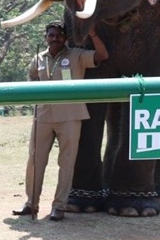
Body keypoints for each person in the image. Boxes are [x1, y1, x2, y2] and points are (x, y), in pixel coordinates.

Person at [15, 19, 107, 221]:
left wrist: (93, 34)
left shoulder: (76, 55)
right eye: (51, 35)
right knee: (35, 161)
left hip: (70, 116)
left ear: (65, 37)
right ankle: (31, 204)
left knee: (66, 162)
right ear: (46, 37)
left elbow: (102, 55)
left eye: (59, 35)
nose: (55, 38)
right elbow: (31, 79)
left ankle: (59, 206)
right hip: (43, 116)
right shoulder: (38, 58)